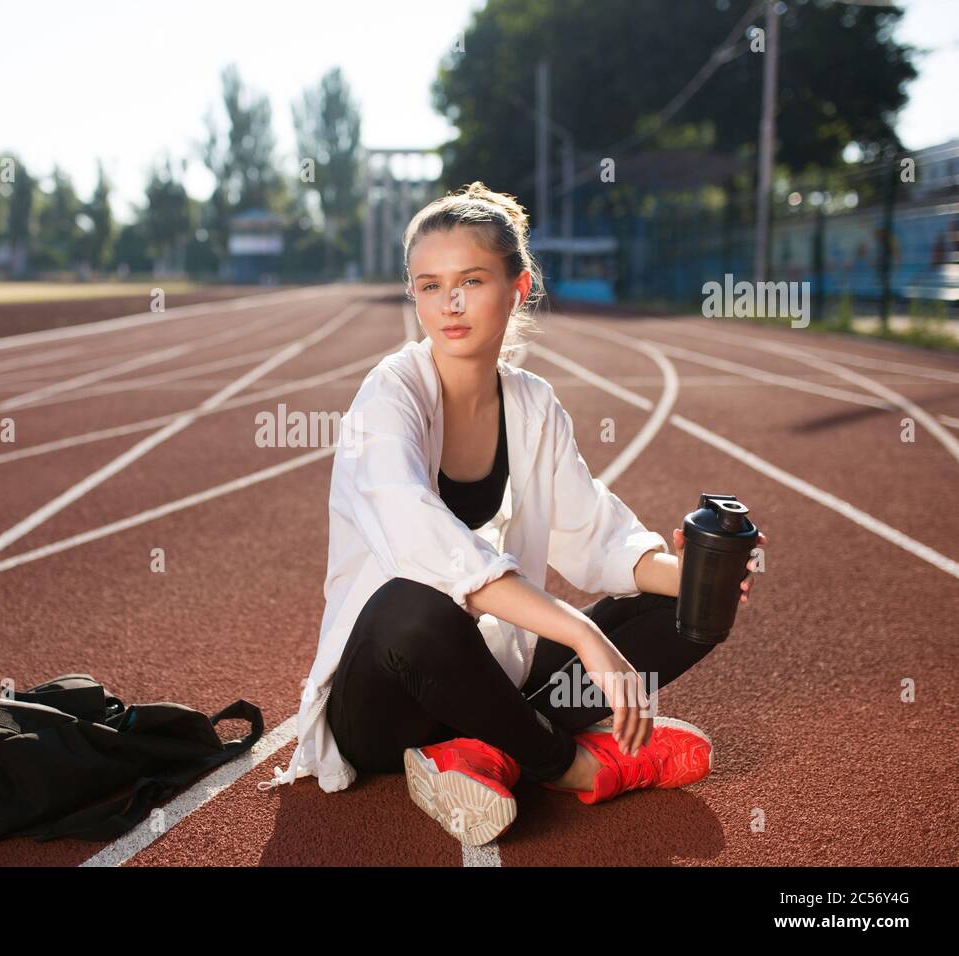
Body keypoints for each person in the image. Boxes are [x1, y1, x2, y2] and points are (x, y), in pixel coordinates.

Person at [258, 182, 766, 847]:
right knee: (417, 605)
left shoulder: (533, 403)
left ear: (518, 287)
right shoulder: (389, 395)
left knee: (697, 615)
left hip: (496, 672)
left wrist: (703, 576)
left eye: (471, 279)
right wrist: (585, 638)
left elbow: (595, 537)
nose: (452, 303)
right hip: (389, 701)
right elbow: (427, 549)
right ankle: (571, 765)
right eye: (431, 286)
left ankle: (484, 753)